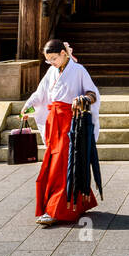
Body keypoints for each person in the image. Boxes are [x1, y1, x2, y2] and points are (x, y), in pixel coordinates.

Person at [23, 38, 101, 226]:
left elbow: (93, 93)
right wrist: (28, 106)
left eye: (54, 58)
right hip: (53, 122)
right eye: (48, 59)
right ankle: (78, 201)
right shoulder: (51, 71)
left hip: (70, 122)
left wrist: (83, 98)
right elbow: (41, 94)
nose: (51, 62)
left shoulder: (78, 70)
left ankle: (55, 210)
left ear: (64, 54)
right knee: (54, 164)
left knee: (63, 165)